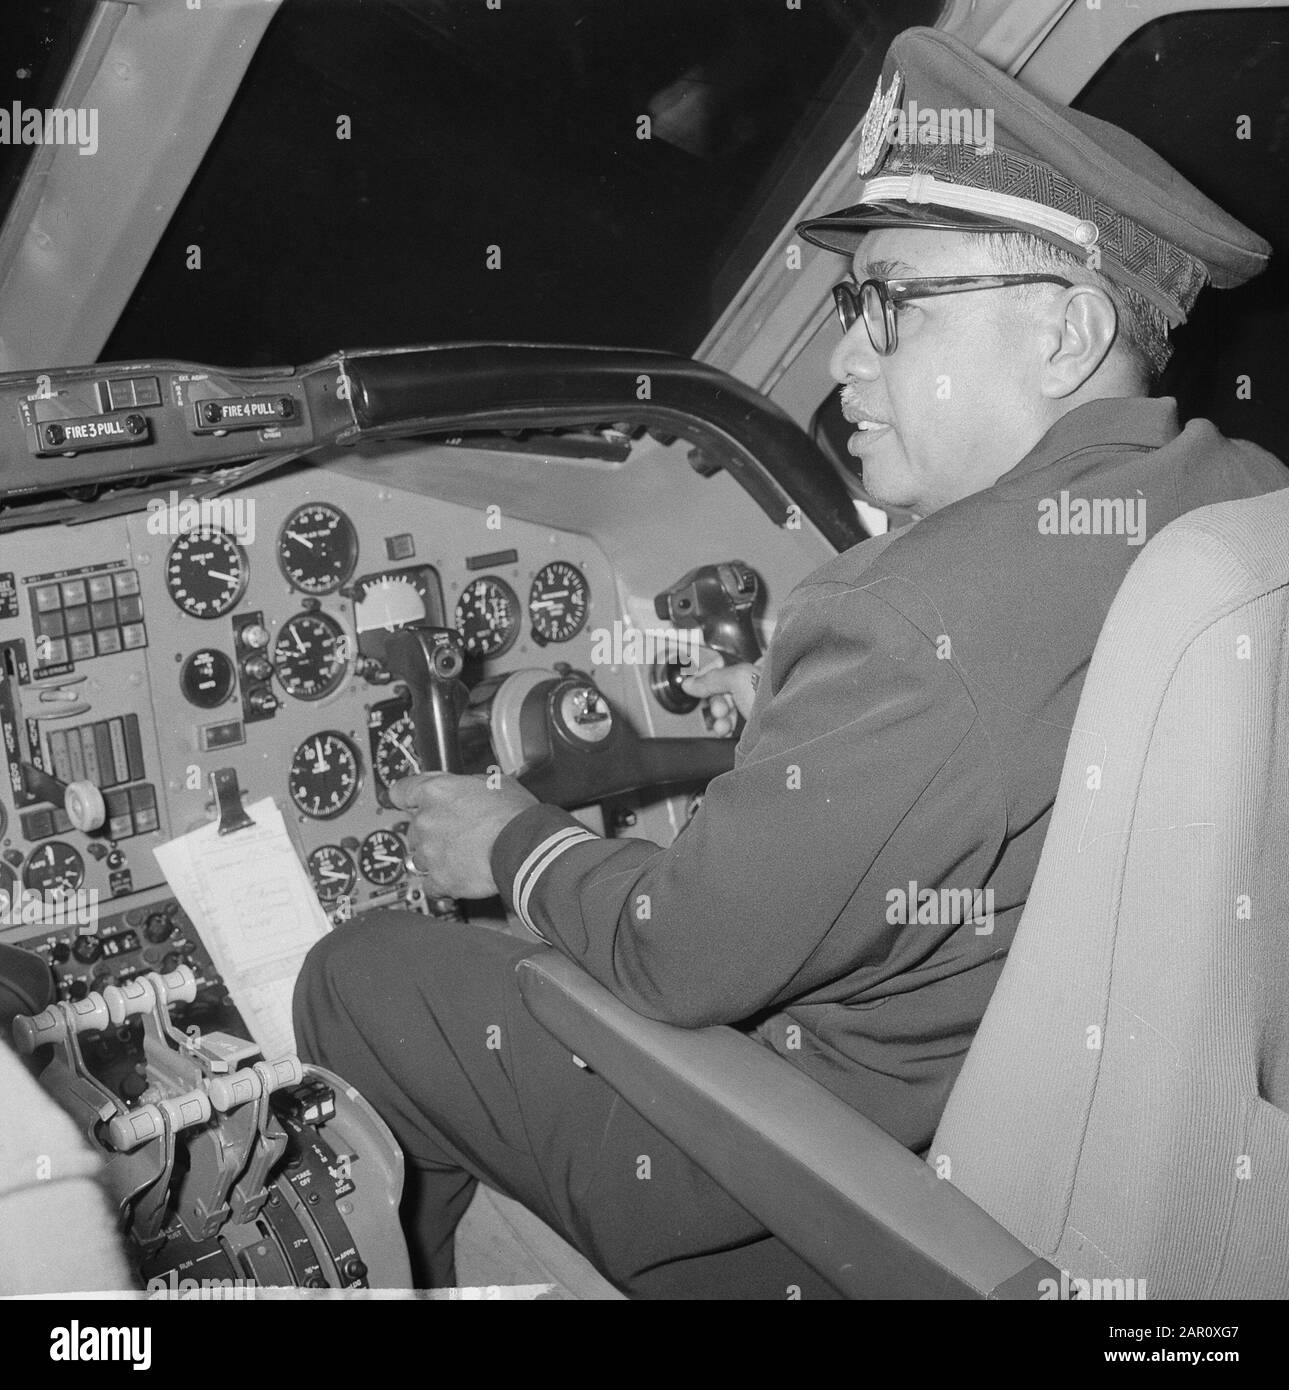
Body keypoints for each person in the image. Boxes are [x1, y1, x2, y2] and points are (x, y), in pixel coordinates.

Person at [294, 26, 1287, 1297]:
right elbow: (975, 730)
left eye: (892, 304)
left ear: (1062, 332)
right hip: (1062, 1109)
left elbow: (676, 954)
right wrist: (793, 711)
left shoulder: (908, 616)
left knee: (369, 972)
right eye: (843, 307)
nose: (839, 360)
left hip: (808, 1178)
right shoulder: (1235, 500)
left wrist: (509, 843)